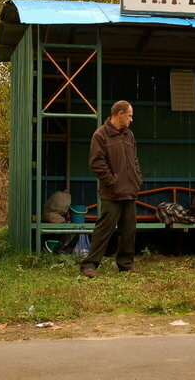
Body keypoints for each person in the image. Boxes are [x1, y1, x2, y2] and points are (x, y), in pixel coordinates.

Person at [80, 100, 143, 278]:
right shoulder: (101, 135)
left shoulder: (129, 135)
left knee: (129, 229)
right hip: (111, 193)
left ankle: (126, 264)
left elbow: (135, 160)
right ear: (120, 114)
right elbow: (97, 164)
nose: (131, 119)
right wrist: (113, 182)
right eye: (129, 115)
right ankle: (89, 266)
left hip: (130, 191)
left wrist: (137, 178)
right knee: (104, 229)